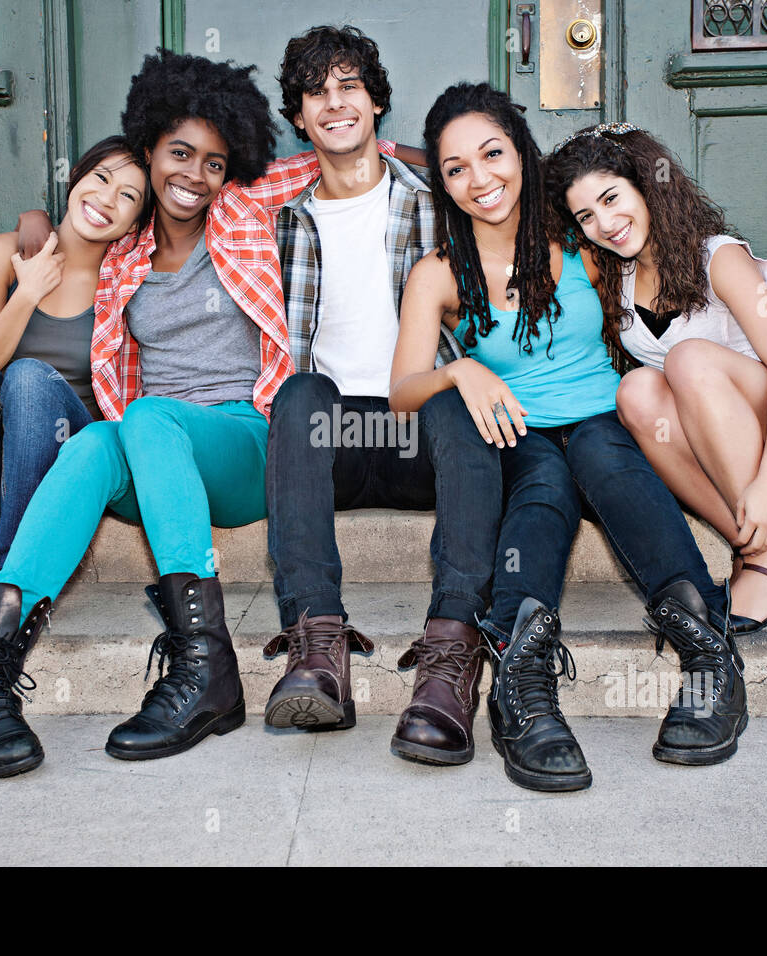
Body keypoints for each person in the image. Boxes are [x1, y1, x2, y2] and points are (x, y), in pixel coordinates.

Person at [0, 49, 353, 778]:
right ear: (148, 148)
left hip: (242, 443)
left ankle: (204, 665)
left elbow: (340, 154)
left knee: (145, 418)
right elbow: (61, 224)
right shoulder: (124, 253)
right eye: (178, 153)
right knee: (95, 446)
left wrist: (463, 144)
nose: (194, 174)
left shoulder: (241, 209)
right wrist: (32, 220)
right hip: (156, 454)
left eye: (212, 161)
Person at [392, 83, 748, 792]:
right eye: (455, 167)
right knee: (544, 482)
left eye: (492, 154)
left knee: (597, 453)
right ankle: (523, 684)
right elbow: (403, 389)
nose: (478, 179)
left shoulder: (582, 244)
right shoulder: (438, 274)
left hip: (605, 423)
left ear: (521, 154)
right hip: (518, 434)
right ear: (441, 179)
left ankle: (709, 656)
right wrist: (459, 369)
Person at [260, 25, 502, 769]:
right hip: (327, 441)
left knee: (453, 400)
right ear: (298, 116)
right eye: (317, 92)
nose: (335, 103)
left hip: (420, 433)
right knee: (299, 394)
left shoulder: (440, 203)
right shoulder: (278, 217)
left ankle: (449, 661)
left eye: (349, 87)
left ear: (375, 102)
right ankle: (316, 650)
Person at [543, 124, 767, 632]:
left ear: (646, 184)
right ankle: (755, 546)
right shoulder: (615, 279)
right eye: (586, 216)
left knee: (687, 359)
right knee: (637, 390)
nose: (605, 222)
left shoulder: (719, 257)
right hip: (725, 466)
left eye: (611, 198)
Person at [0, 136, 147, 624]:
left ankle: (12, 574)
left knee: (27, 377)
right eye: (102, 179)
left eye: (128, 197)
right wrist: (26, 292)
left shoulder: (127, 278)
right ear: (77, 178)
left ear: (135, 222)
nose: (107, 200)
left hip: (63, 464)